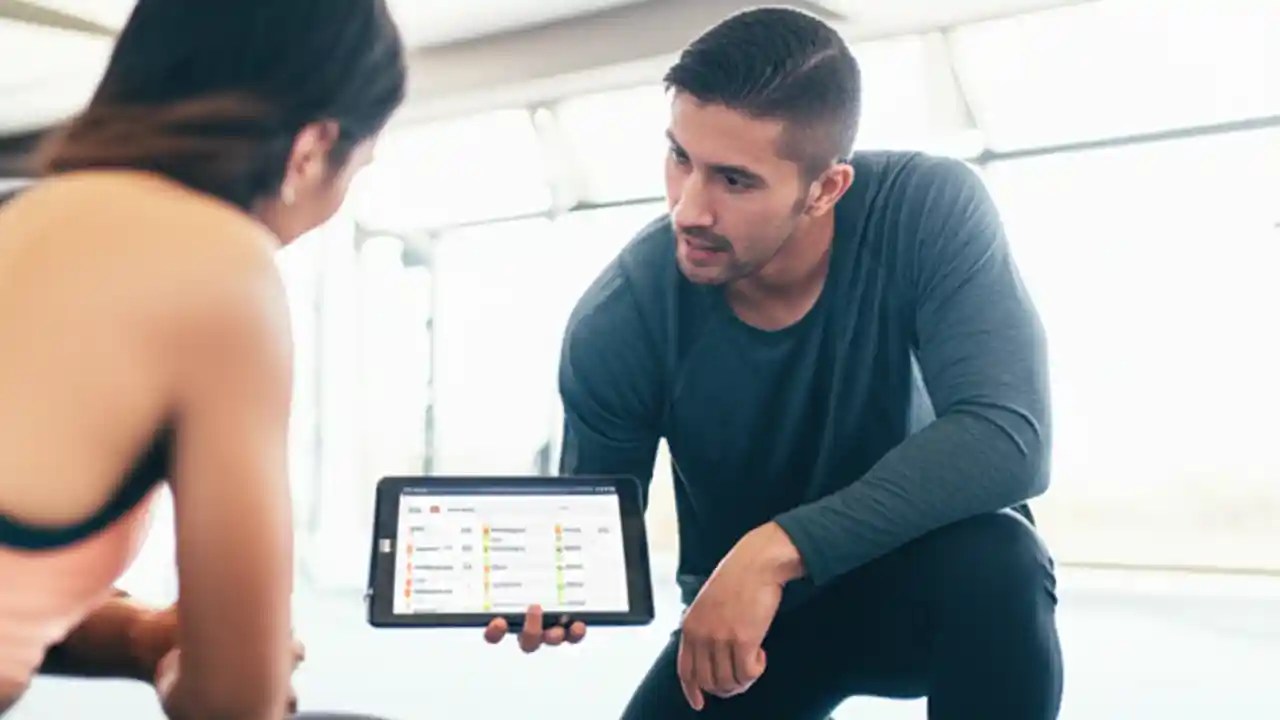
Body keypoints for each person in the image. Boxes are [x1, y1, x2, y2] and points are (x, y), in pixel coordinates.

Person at [491, 7, 1064, 719]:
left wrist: (775, 548)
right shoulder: (622, 314)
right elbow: (597, 529)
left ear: (826, 189)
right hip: (744, 633)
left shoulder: (924, 208)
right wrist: (555, 587)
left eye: (734, 180)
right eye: (680, 159)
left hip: (919, 592)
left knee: (1001, 558)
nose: (688, 210)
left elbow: (1010, 438)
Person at [0, 1, 405, 717]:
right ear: (310, 151)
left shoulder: (20, 219)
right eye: (358, 167)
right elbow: (234, 702)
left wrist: (146, 637)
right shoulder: (220, 264)